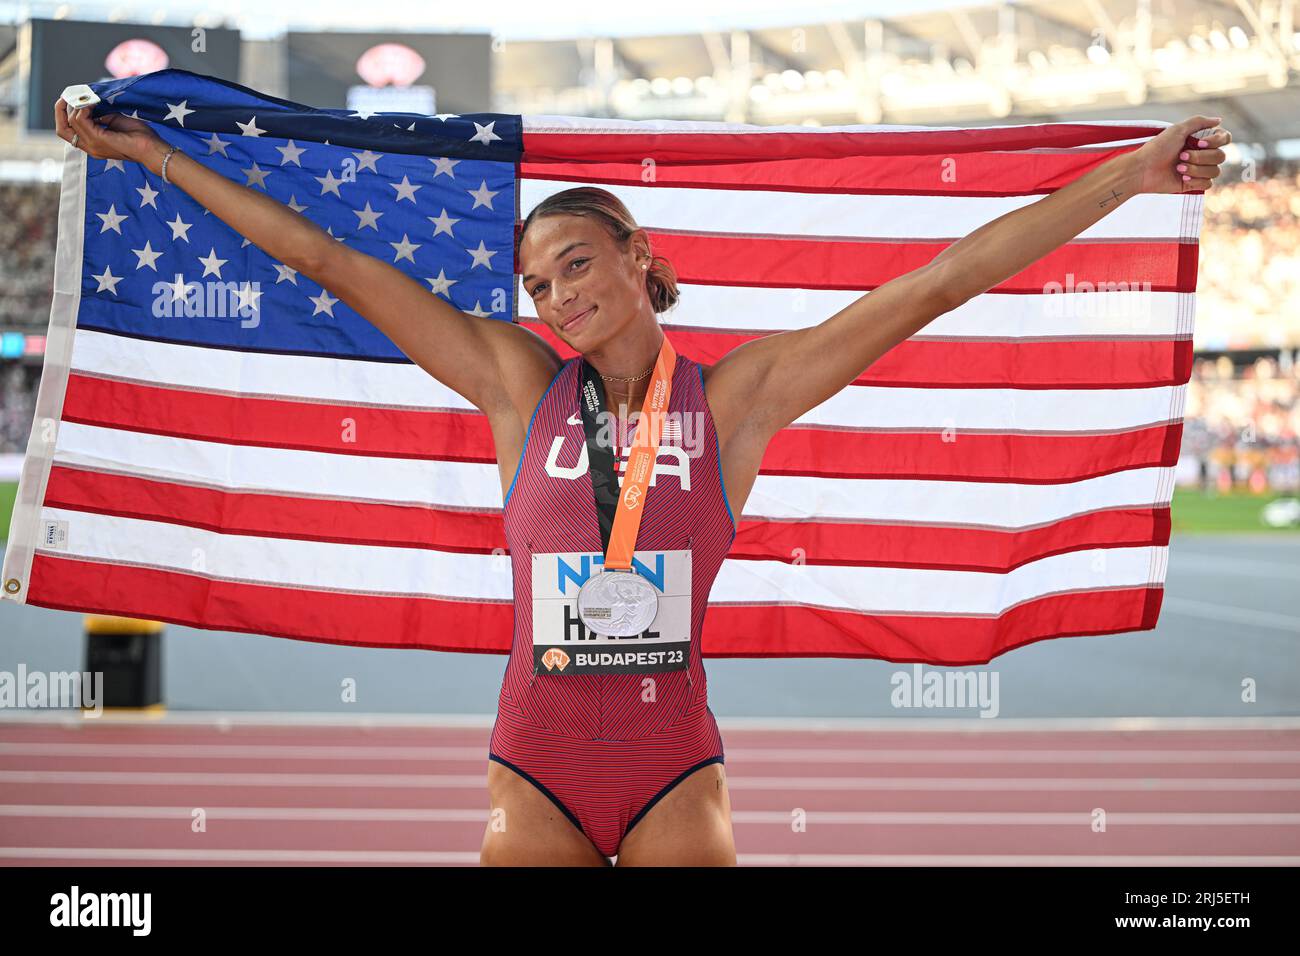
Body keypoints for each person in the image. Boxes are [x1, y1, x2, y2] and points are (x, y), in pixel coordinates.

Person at [56, 98, 1231, 866]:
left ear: (636, 259)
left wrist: (1129, 176)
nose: (558, 296)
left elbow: (934, 286)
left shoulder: (738, 399)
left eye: (577, 264)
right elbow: (327, 258)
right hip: (535, 763)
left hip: (676, 768)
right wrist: (155, 153)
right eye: (537, 283)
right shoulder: (518, 384)